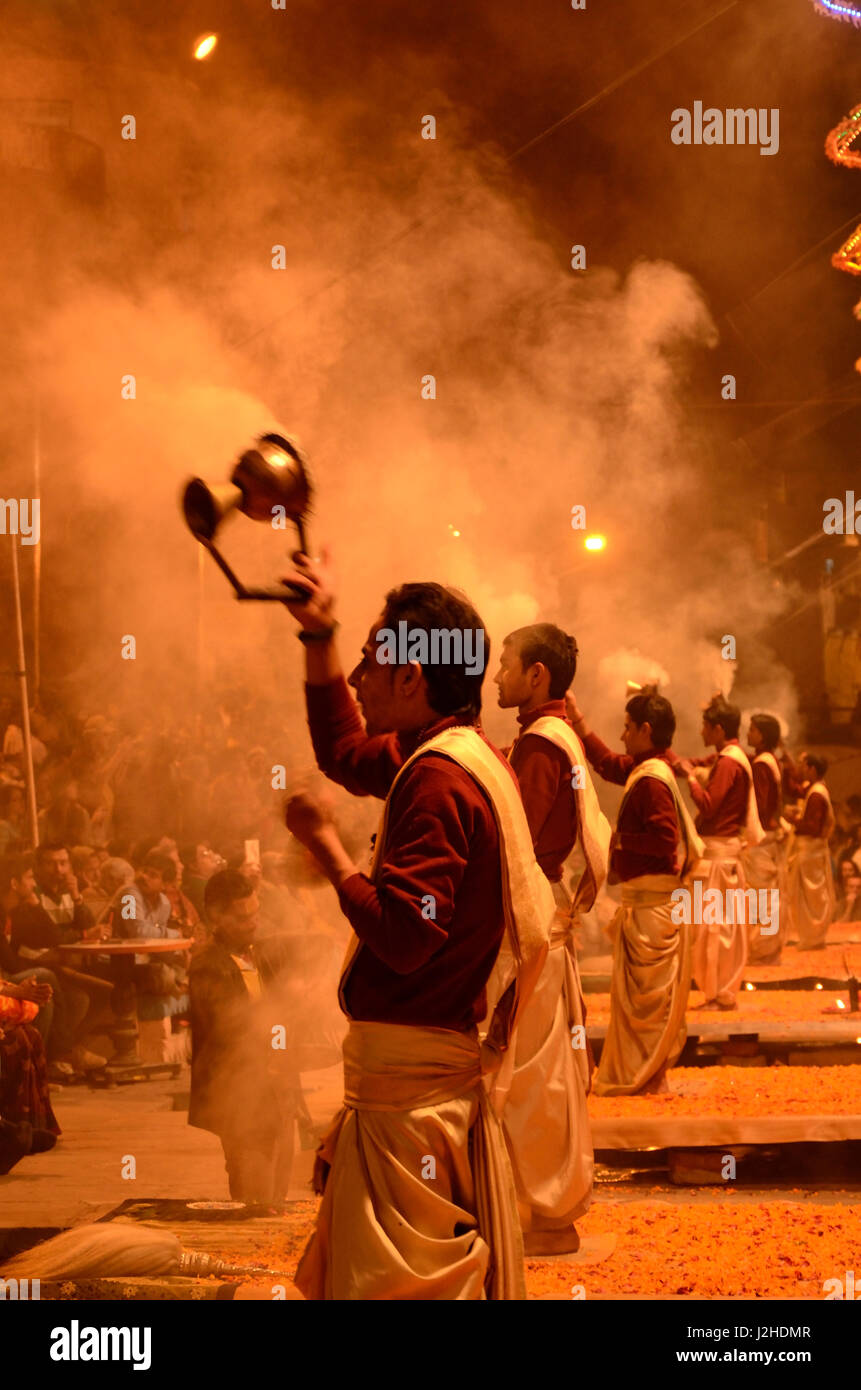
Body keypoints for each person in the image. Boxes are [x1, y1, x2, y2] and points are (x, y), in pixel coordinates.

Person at [281, 554, 553, 1301]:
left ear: (410, 677)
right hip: (426, 1078)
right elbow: (341, 753)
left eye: (370, 662)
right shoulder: (451, 751)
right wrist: (319, 635)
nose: (360, 678)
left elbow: (403, 940)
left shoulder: (436, 781)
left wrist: (329, 852)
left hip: (412, 1100)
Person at [493, 622, 608, 1254]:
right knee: (544, 1072)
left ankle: (536, 1212)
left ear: (538, 675)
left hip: (532, 926)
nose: (496, 675)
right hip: (548, 922)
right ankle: (542, 1210)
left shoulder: (541, 746)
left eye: (506, 663)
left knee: (531, 1079)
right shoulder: (553, 736)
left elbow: (520, 848)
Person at [568, 687, 702, 1095]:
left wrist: (617, 840)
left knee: (647, 1003)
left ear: (645, 730)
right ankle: (645, 1076)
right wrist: (579, 723)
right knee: (645, 1002)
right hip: (648, 906)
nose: (622, 735)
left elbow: (664, 839)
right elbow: (609, 764)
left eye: (627, 727)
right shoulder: (648, 768)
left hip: (652, 910)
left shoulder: (653, 780)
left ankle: (643, 1077)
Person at [188, 868, 301, 1206]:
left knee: (279, 1191)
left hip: (279, 1088)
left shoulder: (261, 951)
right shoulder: (208, 966)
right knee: (254, 1194)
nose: (253, 923)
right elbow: (229, 1029)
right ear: (215, 917)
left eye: (255, 913)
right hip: (242, 1095)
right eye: (241, 917)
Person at [675, 695, 763, 1010]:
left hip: (719, 859)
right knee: (717, 929)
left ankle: (720, 994)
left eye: (704, 727)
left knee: (715, 931)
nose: (700, 733)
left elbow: (709, 807)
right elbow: (698, 763)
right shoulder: (730, 756)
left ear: (717, 729)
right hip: (723, 857)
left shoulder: (728, 762)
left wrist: (689, 780)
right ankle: (719, 993)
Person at [3, 852, 104, 1072]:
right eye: (29, 878)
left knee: (77, 998)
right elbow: (10, 963)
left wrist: (37, 906)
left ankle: (48, 1062)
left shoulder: (19, 910)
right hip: (5, 979)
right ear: (14, 883)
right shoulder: (4, 913)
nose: (33, 884)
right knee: (45, 978)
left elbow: (52, 937)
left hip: (25, 970)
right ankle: (64, 1053)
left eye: (63, 863)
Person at [740, 713, 787, 964]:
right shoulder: (771, 761)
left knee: (761, 897)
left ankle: (762, 949)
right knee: (768, 896)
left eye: (752, 730)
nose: (748, 734)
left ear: (763, 735)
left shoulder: (761, 765)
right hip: (770, 838)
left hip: (761, 839)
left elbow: (758, 805)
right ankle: (767, 949)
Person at [785, 752, 836, 949]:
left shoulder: (816, 793)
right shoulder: (815, 789)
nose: (800, 770)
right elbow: (793, 788)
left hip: (811, 853)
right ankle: (811, 938)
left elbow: (813, 828)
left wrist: (794, 819)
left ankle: (813, 938)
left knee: (811, 897)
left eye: (803, 766)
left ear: (812, 769)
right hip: (811, 852)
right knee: (810, 897)